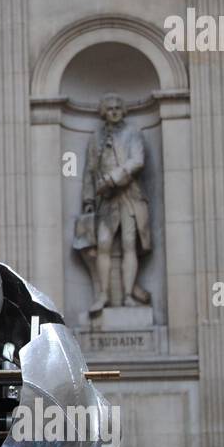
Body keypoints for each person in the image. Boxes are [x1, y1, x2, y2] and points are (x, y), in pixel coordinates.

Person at [80, 93, 151, 314]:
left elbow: (137, 161)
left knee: (130, 244)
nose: (114, 111)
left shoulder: (133, 133)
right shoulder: (96, 138)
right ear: (103, 112)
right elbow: (90, 170)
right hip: (106, 200)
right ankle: (103, 295)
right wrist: (88, 199)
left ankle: (129, 295)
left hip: (129, 196)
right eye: (109, 108)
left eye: (118, 108)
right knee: (103, 244)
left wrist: (113, 178)